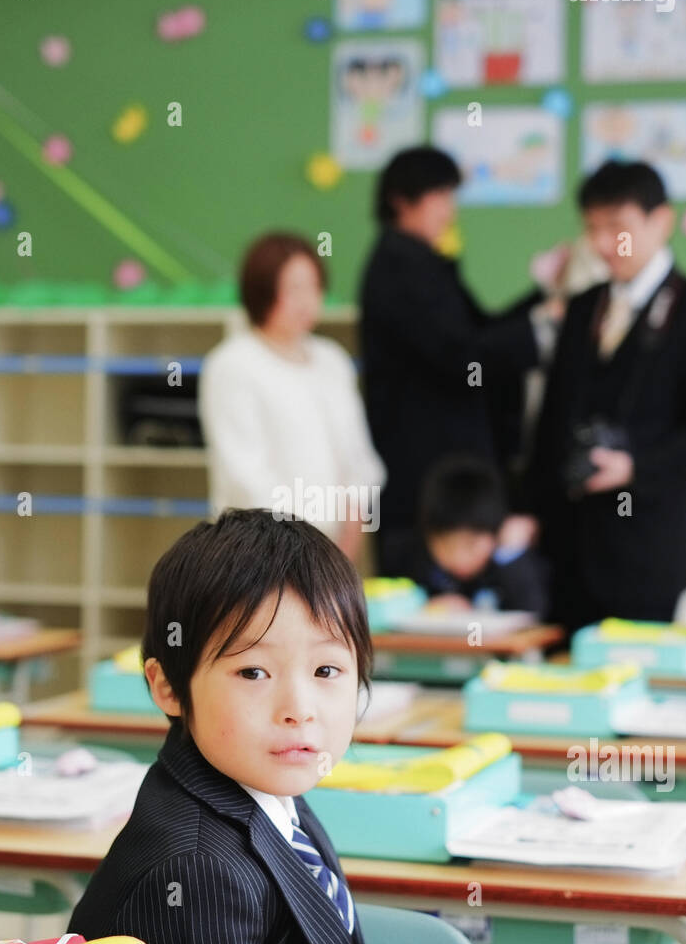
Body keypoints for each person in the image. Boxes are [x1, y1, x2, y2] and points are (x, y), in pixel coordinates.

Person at [70, 509, 371, 944]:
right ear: (167, 688)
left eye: (326, 671)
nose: (298, 708)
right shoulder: (196, 870)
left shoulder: (268, 782)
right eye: (253, 672)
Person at [529, 159, 686, 632]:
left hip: (646, 548)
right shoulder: (585, 306)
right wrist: (530, 510)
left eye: (617, 227)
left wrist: (636, 466)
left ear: (661, 221)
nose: (604, 244)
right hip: (567, 550)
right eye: (592, 228)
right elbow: (551, 419)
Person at [358, 146, 557, 573]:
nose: (450, 211)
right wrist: (540, 323)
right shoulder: (399, 267)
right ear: (401, 200)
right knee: (429, 586)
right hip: (421, 466)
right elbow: (462, 355)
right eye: (441, 197)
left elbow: (480, 331)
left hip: (445, 462)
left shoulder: (426, 262)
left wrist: (541, 297)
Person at [199, 233, 385, 564]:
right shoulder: (232, 364)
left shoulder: (332, 358)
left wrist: (350, 531)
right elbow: (245, 476)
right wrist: (302, 545)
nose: (307, 301)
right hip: (260, 551)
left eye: (314, 287)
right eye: (293, 289)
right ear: (262, 291)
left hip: (335, 548)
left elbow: (359, 460)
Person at [386, 454, 548, 616]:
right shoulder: (408, 558)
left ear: (495, 534)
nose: (459, 559)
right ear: (428, 536)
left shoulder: (507, 560)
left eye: (470, 545)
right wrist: (425, 606)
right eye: (448, 547)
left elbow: (534, 611)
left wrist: (511, 553)